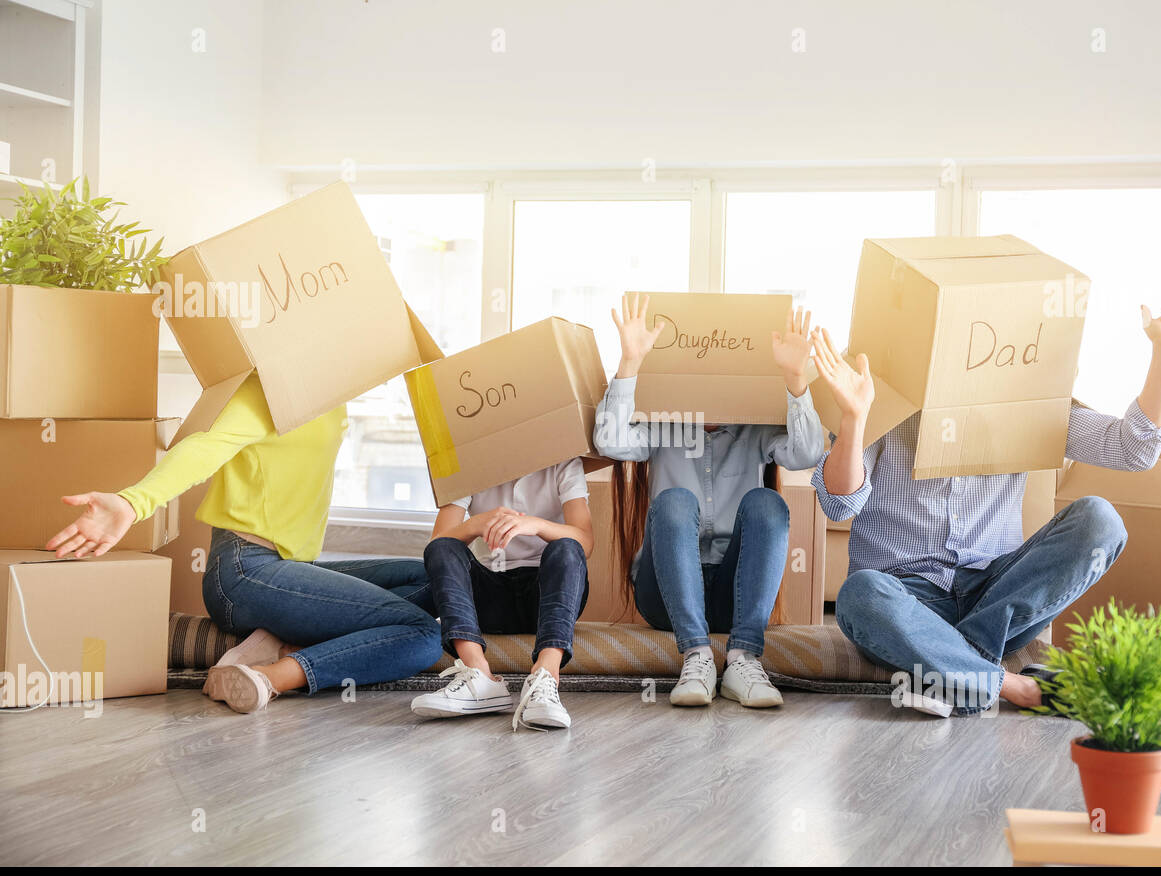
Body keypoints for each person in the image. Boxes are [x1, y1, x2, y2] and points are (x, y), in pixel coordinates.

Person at [812, 280, 1161, 716]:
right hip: (908, 599)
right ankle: (1016, 687)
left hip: (997, 602)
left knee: (1101, 519)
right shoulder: (884, 401)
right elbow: (838, 504)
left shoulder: (1026, 406)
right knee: (860, 594)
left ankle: (956, 665)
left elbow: (1132, 449)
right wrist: (853, 419)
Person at [45, 374, 442, 714]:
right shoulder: (265, 388)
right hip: (245, 572)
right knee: (422, 635)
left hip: (292, 568)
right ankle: (271, 676)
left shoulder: (332, 393)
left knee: (434, 577)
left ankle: (278, 640)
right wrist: (133, 502)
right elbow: (205, 447)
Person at [593, 294, 823, 708]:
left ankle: (743, 658)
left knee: (767, 503)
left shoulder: (755, 428)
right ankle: (696, 655)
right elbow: (609, 440)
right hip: (664, 593)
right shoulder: (663, 424)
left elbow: (807, 454)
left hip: (735, 594)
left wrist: (794, 380)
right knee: (675, 501)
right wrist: (629, 364)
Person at [410, 459, 594, 731]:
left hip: (547, 596)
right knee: (442, 548)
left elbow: (586, 541)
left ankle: (546, 675)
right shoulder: (468, 460)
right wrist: (477, 524)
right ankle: (478, 675)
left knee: (568, 547)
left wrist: (535, 525)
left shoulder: (564, 463)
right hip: (489, 596)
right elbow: (439, 542)